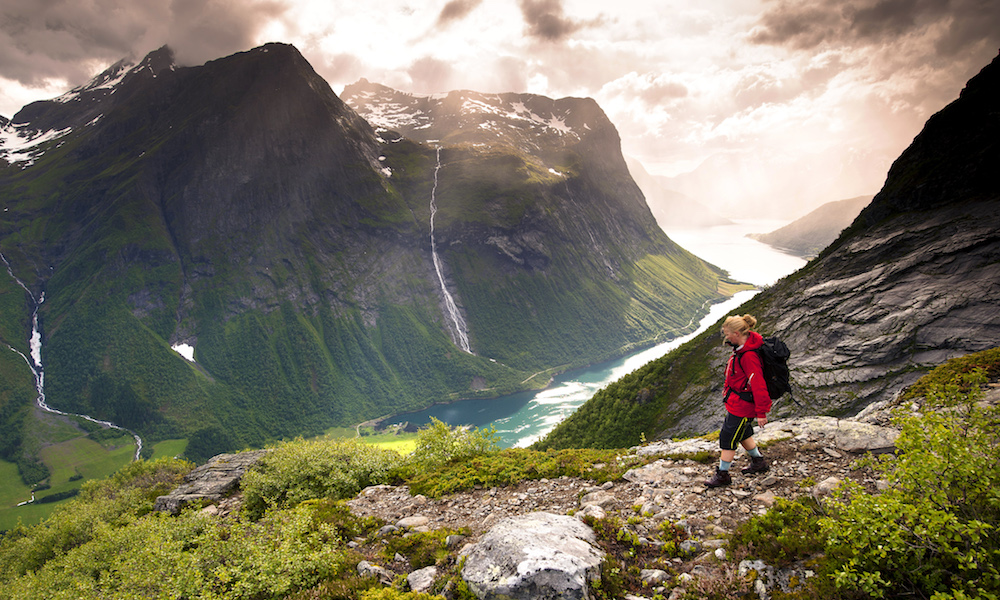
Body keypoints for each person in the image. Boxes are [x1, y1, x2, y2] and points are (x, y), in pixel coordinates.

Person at [705, 314, 772, 488]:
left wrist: (761, 412)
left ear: (736, 333)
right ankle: (758, 462)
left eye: (727, 334)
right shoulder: (742, 349)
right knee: (743, 432)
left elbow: (758, 384)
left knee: (728, 437)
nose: (726, 337)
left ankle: (723, 475)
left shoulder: (748, 356)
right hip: (738, 402)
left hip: (743, 406)